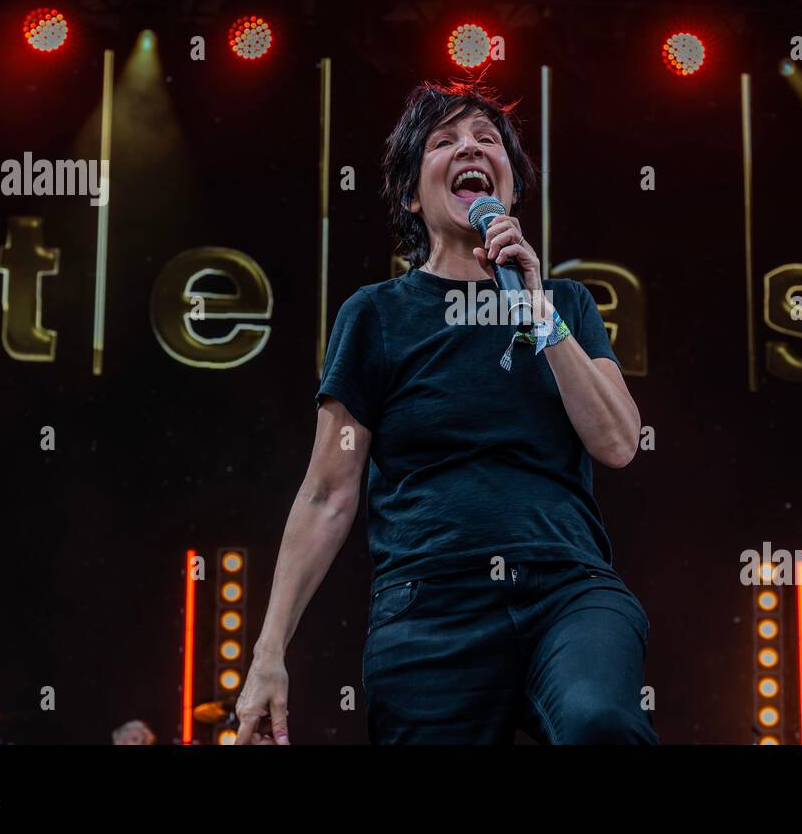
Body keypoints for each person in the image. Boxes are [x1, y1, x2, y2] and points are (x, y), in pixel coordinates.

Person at [235, 79, 657, 744]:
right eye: (446, 141)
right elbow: (327, 495)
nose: (471, 148)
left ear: (510, 190)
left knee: (598, 721)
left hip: (566, 589)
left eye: (488, 141)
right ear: (411, 191)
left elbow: (619, 442)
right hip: (429, 604)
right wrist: (267, 655)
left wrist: (538, 312)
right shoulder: (376, 317)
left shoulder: (566, 304)